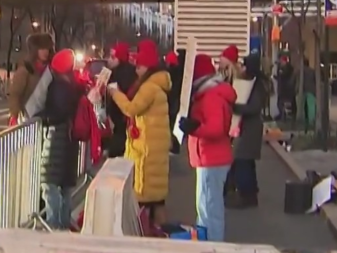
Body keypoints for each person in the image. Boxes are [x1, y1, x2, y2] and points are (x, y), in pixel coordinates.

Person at [107, 41, 172, 225]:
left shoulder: (149, 88)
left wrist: (115, 93)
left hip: (146, 148)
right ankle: (162, 233)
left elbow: (131, 109)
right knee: (157, 199)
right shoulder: (158, 85)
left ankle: (146, 235)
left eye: (140, 66)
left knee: (144, 197)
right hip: (154, 145)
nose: (137, 70)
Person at [179, 54, 236, 242]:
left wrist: (194, 127)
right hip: (211, 157)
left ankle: (213, 248)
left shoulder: (210, 96)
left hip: (211, 159)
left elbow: (217, 127)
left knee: (209, 209)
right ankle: (209, 243)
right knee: (208, 208)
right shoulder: (212, 93)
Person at [36, 48, 82, 229]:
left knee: (50, 183)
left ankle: (54, 225)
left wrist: (42, 117)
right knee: (65, 186)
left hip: (58, 139)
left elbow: (58, 112)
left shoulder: (58, 87)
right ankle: (62, 223)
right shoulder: (74, 85)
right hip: (69, 141)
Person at [226, 54, 267, 209]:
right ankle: (250, 194)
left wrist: (235, 107)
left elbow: (254, 107)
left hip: (251, 128)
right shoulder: (254, 83)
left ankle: (246, 194)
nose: (242, 69)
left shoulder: (258, 85)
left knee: (242, 160)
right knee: (247, 162)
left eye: (244, 66)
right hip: (249, 128)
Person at [7, 33, 55, 123]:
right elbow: (15, 94)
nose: (45, 52)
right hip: (28, 116)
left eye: (47, 48)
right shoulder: (25, 70)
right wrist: (14, 115)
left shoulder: (51, 69)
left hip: (46, 117)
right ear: (35, 50)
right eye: (41, 49)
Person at [104, 42, 137, 157]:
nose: (109, 60)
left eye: (112, 57)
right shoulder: (129, 72)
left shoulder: (120, 74)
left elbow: (120, 97)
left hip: (121, 118)